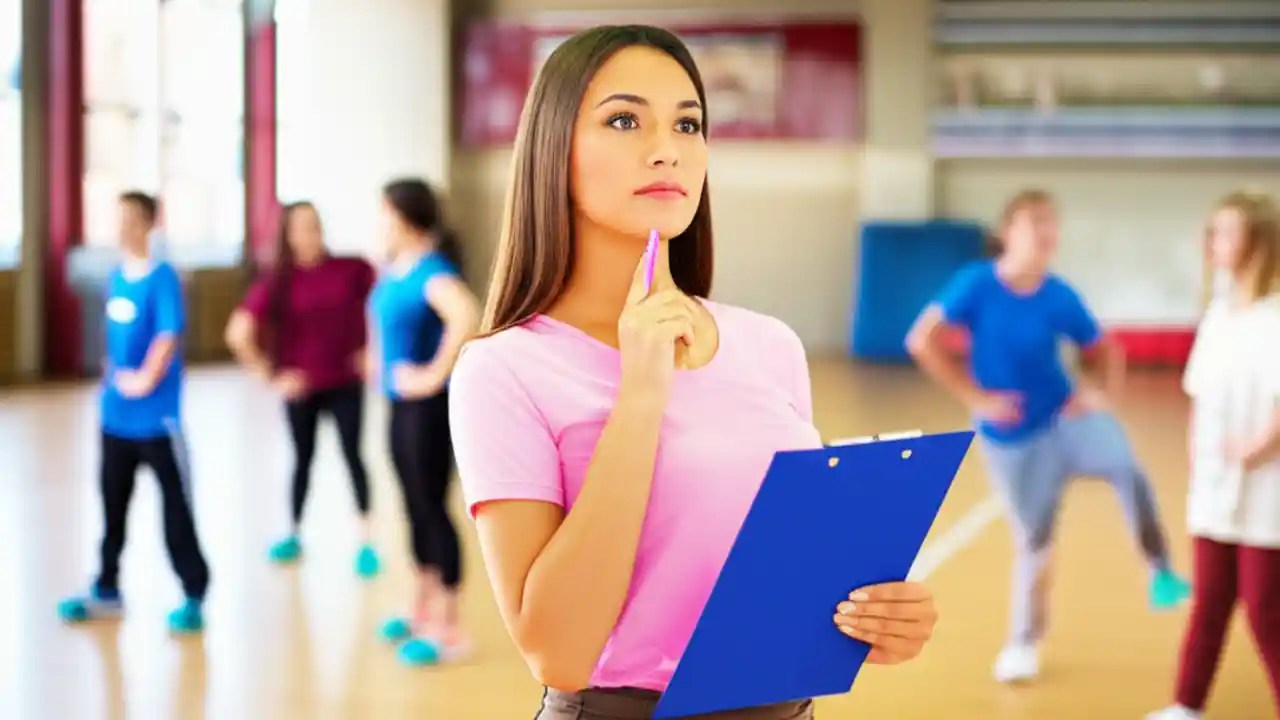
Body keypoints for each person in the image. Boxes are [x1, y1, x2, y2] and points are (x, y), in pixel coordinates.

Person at [447, 25, 939, 719]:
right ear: (554, 151)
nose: (666, 148)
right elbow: (557, 651)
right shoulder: (503, 370)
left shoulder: (768, 345)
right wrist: (641, 394)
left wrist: (874, 615)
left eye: (688, 123)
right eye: (624, 120)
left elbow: (785, 572)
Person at [907, 189, 1192, 685]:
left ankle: (1159, 568)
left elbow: (1105, 348)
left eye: (1052, 223)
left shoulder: (1058, 293)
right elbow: (922, 340)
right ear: (1007, 232)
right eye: (1035, 221)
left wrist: (1101, 394)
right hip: (1013, 435)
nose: (1046, 232)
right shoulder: (976, 284)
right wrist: (976, 398)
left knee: (1127, 466)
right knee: (1036, 544)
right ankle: (1023, 642)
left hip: (1066, 417)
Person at [1147, 191, 1280, 720]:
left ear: (1259, 242)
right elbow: (1200, 396)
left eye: (1226, 231)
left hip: (1267, 487)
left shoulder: (1276, 317)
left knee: (1266, 609)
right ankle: (1187, 704)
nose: (1214, 242)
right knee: (1211, 602)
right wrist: (1198, 460)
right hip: (1215, 489)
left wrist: (1258, 446)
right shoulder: (1219, 315)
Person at [57, 191, 210, 634]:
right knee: (112, 506)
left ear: (149, 224)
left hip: (157, 421)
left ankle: (193, 593)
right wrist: (114, 376)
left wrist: (145, 378)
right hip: (115, 418)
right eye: (117, 217)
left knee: (176, 509)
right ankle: (106, 589)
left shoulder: (163, 278)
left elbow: (167, 336)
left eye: (131, 218)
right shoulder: (116, 278)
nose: (122, 227)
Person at [224, 201, 379, 577]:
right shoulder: (276, 281)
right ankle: (293, 532)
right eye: (300, 227)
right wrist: (271, 376)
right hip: (302, 389)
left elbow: (383, 308)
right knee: (302, 459)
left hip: (345, 382)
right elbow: (238, 333)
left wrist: (373, 351)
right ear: (287, 235)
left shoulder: (353, 269)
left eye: (314, 225)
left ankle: (366, 541)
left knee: (352, 456)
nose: (309, 233)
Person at [369, 178, 481, 666]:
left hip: (428, 411)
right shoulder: (396, 269)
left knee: (432, 507)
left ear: (404, 215)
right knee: (412, 506)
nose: (379, 220)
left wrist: (434, 374)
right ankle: (420, 607)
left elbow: (466, 314)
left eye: (384, 211)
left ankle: (450, 628)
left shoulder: (433, 272)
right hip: (398, 405)